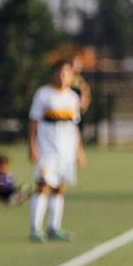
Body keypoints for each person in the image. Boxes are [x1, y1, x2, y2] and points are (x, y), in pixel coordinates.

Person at [27, 58, 84, 242]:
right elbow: (34, 121)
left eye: (66, 72)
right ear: (54, 74)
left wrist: (79, 151)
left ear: (71, 75)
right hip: (46, 149)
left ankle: (54, 227)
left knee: (59, 187)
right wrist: (32, 145)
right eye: (59, 72)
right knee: (43, 185)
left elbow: (74, 127)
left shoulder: (72, 98)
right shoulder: (43, 94)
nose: (62, 76)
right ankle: (35, 228)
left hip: (66, 151)